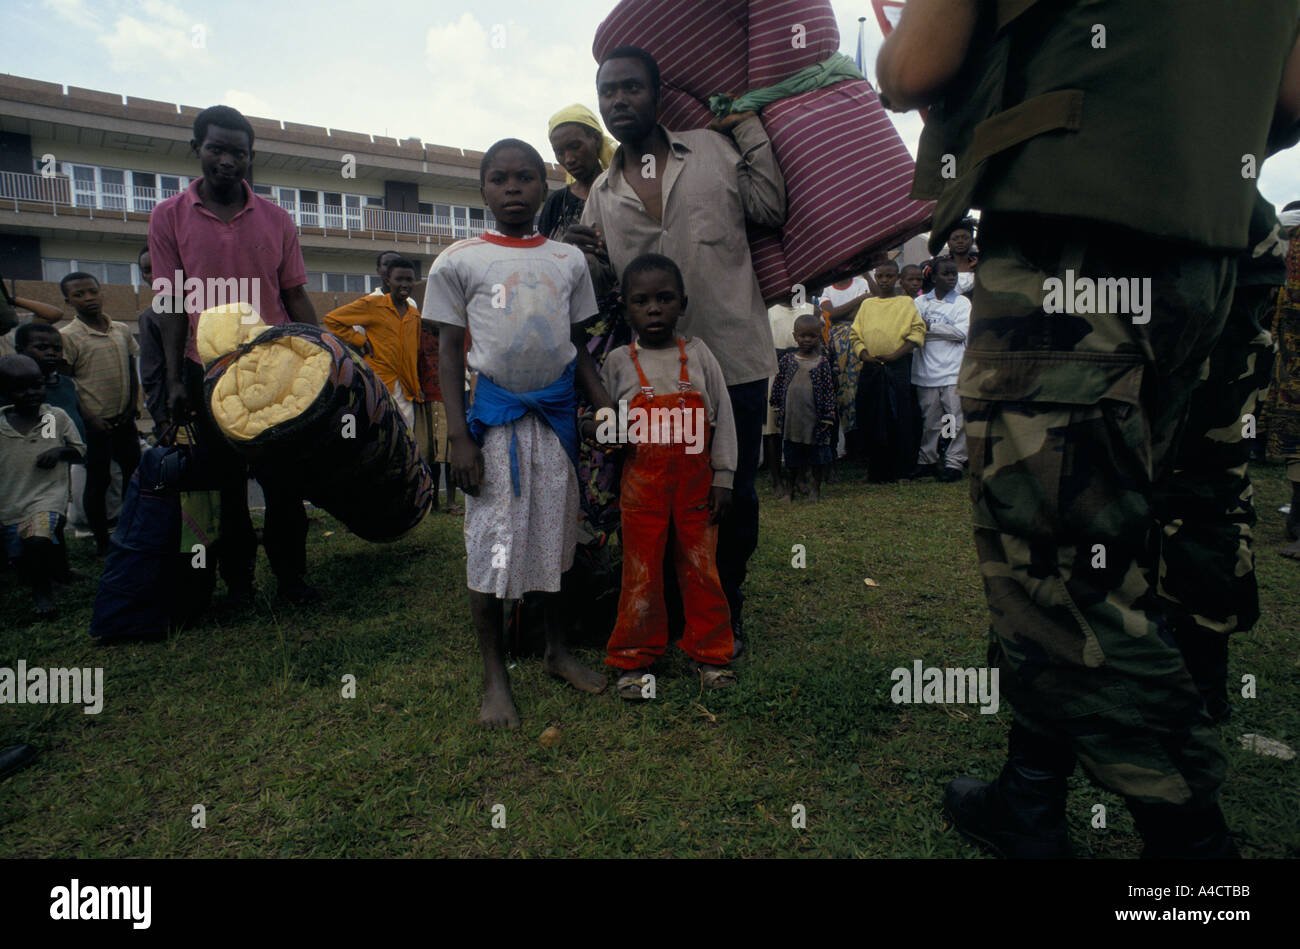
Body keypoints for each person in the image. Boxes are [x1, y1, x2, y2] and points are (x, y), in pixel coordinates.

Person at [879, 0, 1300, 859]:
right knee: (1115, 530)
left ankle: (1193, 855)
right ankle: (1029, 793)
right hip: (1207, 247)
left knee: (1057, 570)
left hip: (1071, 253)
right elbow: (1287, 97)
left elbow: (914, 69)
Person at [570, 45, 786, 656]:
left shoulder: (713, 150)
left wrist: (748, 126)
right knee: (655, 497)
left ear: (657, 94)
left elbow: (771, 208)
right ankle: (666, 612)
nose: (619, 100)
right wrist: (578, 253)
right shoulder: (600, 194)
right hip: (652, 379)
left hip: (735, 358)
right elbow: (606, 290)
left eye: (631, 87)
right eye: (608, 91)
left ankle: (725, 609)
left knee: (732, 494)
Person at [424, 138, 612, 728]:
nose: (513, 188)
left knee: (557, 537)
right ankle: (494, 675)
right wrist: (459, 436)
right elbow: (448, 351)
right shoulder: (459, 260)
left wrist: (605, 407)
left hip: (556, 421)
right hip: (494, 422)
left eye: (526, 177)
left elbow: (577, 345)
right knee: (491, 543)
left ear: (542, 186)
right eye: (500, 178)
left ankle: (556, 650)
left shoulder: (567, 260)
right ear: (483, 189)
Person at [148, 104, 319, 606]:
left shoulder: (277, 218)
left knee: (283, 482)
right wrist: (175, 379)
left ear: (250, 157)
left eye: (238, 153)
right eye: (216, 149)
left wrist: (327, 354)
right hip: (207, 373)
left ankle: (292, 581)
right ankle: (238, 585)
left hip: (275, 371)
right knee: (225, 486)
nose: (227, 160)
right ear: (196, 149)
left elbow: (295, 294)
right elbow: (170, 303)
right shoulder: (168, 216)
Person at [599, 253, 737, 696]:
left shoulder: (699, 355)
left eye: (665, 298)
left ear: (683, 303)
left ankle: (712, 656)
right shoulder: (617, 362)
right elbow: (606, 429)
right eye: (641, 301)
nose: (654, 309)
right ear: (626, 309)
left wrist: (724, 478)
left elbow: (724, 419)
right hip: (641, 490)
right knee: (640, 574)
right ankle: (633, 661)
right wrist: (601, 430)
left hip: (698, 488)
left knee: (702, 570)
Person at [541, 104, 626, 552]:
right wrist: (563, 246)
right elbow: (538, 262)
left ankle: (621, 531)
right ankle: (580, 538)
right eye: (559, 152)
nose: (568, 158)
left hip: (621, 327)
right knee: (582, 425)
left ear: (597, 139)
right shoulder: (557, 203)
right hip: (572, 334)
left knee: (621, 419)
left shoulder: (622, 187)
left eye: (575, 146)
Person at [57, 272, 139, 555]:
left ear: (101, 292)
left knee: (133, 476)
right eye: (79, 295)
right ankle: (103, 542)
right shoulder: (67, 337)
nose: (88, 298)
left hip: (124, 419)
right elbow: (67, 384)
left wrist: (132, 406)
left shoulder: (121, 330)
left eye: (92, 291)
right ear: (68, 301)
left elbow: (131, 369)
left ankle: (131, 531)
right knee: (99, 481)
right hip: (94, 425)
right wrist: (90, 419)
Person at [0, 354, 85, 616]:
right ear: (5, 392)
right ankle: (49, 575)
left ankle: (43, 595)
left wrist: (59, 451)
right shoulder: (1, 424)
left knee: (37, 539)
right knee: (22, 555)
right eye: (21, 388)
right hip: (10, 500)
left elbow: (79, 451)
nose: (31, 393)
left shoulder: (52, 418)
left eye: (36, 385)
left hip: (47, 495)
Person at [849, 259, 925, 482]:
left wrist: (896, 355)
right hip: (871, 367)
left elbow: (918, 332)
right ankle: (875, 471)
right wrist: (864, 354)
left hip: (898, 366)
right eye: (880, 276)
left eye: (889, 276)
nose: (884, 280)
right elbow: (855, 334)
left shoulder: (906, 303)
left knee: (899, 416)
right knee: (871, 416)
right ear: (875, 277)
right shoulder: (868, 305)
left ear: (897, 279)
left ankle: (902, 471)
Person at [324, 257, 422, 429]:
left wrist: (416, 385)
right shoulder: (372, 305)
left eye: (409, 280)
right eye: (399, 279)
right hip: (378, 385)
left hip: (405, 391)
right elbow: (332, 320)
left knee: (404, 435)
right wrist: (359, 340)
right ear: (388, 280)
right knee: (377, 434)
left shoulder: (414, 314)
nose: (404, 284)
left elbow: (414, 352)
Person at [911, 258, 969, 482]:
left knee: (954, 420)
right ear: (934, 277)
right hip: (925, 372)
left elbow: (960, 333)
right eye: (946, 274)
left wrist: (929, 327)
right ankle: (928, 460)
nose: (952, 277)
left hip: (953, 371)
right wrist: (940, 329)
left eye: (954, 273)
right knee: (930, 421)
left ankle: (954, 462)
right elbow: (914, 329)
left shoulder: (962, 302)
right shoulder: (920, 302)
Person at [770, 313, 837, 502]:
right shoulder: (787, 361)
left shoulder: (822, 363)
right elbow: (778, 385)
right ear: (795, 336)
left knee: (817, 457)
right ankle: (789, 490)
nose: (807, 340)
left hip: (815, 422)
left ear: (819, 337)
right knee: (792, 457)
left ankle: (815, 489)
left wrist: (828, 416)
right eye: (803, 336)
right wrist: (776, 407)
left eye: (812, 336)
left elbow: (829, 391)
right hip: (792, 421)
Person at [820, 275, 871, 460]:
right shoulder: (827, 287)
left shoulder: (861, 282)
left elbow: (862, 314)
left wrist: (839, 312)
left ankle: (858, 446)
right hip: (836, 346)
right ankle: (842, 446)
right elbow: (830, 315)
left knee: (857, 390)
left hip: (858, 341)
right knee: (839, 390)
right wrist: (860, 299)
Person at [763, 294, 810, 493]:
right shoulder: (768, 311)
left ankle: (800, 477)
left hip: (804, 372)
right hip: (773, 371)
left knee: (801, 424)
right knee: (772, 428)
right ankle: (776, 479)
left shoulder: (809, 309)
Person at [15, 322, 85, 443]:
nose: (51, 353)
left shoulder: (66, 383)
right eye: (42, 348)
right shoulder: (17, 390)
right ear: (20, 350)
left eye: (57, 349)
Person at [134, 246, 170, 432]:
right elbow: (152, 375)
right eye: (147, 270)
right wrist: (162, 420)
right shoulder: (150, 318)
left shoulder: (210, 305)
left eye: (159, 266)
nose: (155, 275)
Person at [942, 219, 977, 296]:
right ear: (948, 243)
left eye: (965, 238)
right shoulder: (938, 264)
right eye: (955, 239)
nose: (960, 241)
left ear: (972, 241)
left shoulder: (979, 265)